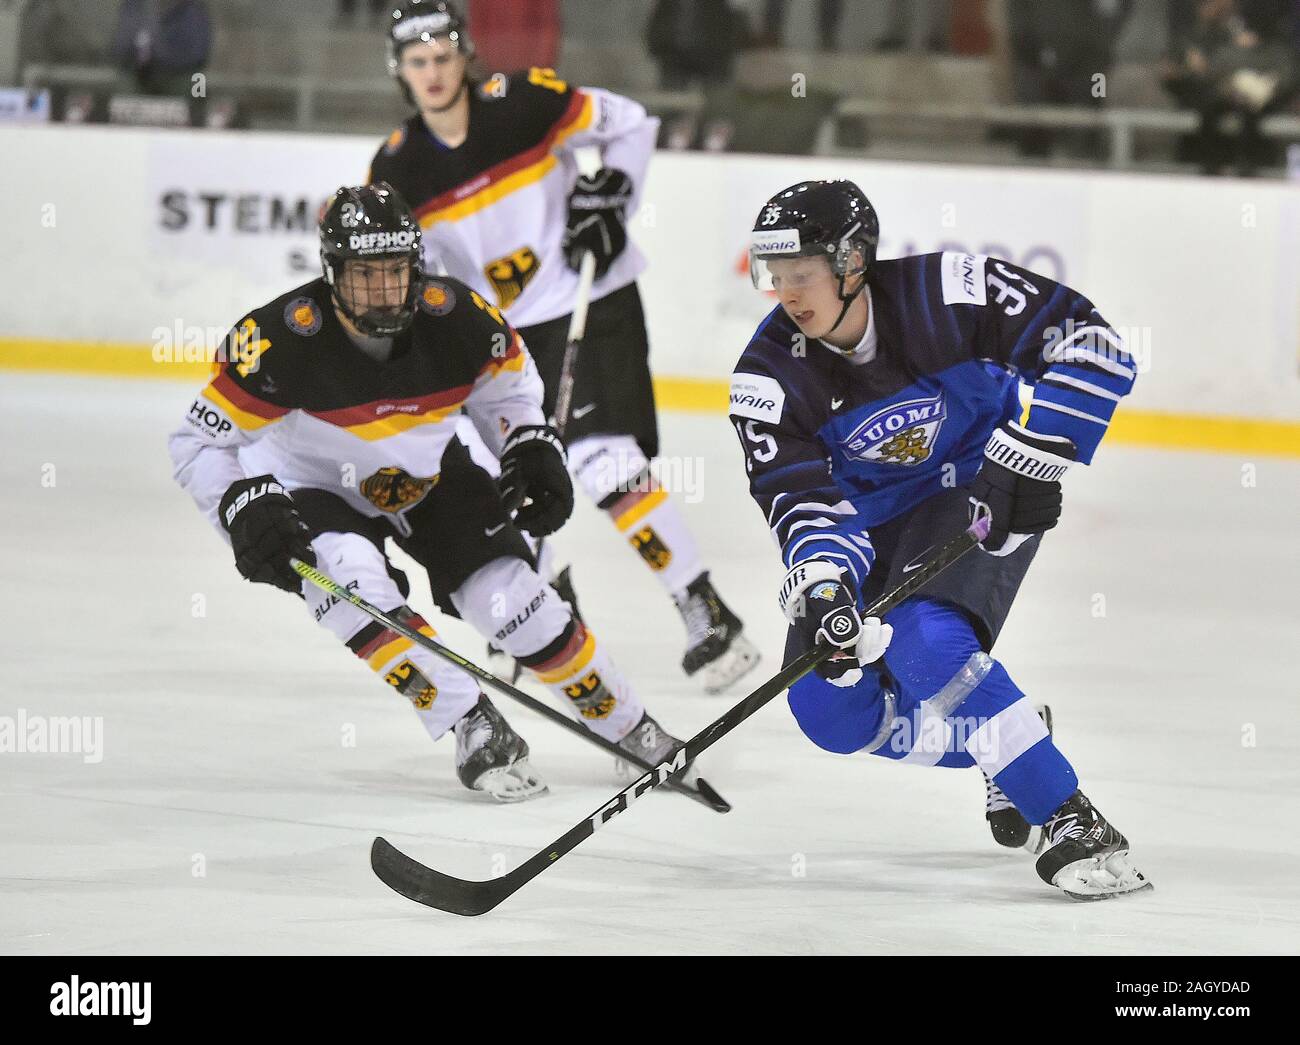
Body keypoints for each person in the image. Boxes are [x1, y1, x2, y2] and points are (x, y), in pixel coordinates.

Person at [168, 183, 718, 805]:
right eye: (362, 275)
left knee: (515, 603)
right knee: (349, 587)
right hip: (315, 484)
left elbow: (508, 394)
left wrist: (529, 444)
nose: (381, 292)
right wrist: (241, 506)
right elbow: (196, 443)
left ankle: (631, 729)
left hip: (427, 471)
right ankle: (470, 720)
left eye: (394, 272)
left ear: (417, 266)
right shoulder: (276, 340)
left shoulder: (458, 318)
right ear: (330, 274)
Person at [730, 180, 1151, 900]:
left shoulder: (946, 292)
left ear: (852, 260)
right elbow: (801, 501)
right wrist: (825, 585)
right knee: (826, 708)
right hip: (866, 527)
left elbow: (1095, 346)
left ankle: (1069, 814)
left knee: (925, 641)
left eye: (800, 272)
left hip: (978, 489)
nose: (785, 292)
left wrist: (1031, 454)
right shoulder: (766, 376)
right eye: (776, 276)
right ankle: (1009, 741)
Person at [366, 1, 761, 695]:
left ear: (465, 56)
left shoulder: (524, 101)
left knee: (604, 461)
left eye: (442, 56)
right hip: (500, 341)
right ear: (400, 71)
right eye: (416, 61)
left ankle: (708, 612)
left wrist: (614, 194)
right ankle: (552, 620)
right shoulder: (396, 169)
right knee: (506, 481)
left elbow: (632, 124)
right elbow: (415, 278)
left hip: (587, 298)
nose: (432, 72)